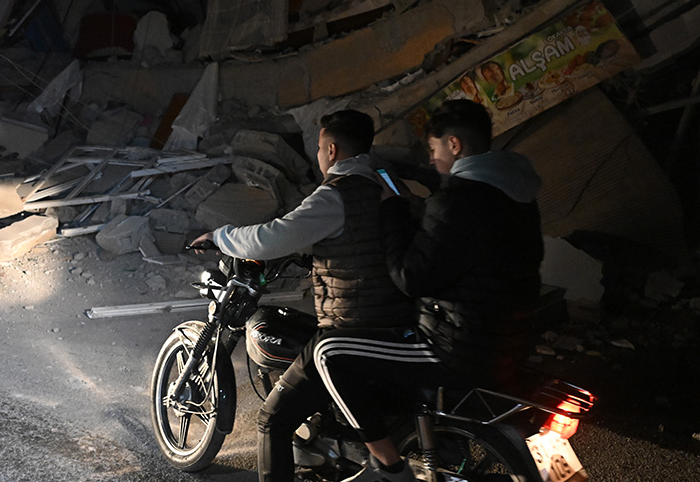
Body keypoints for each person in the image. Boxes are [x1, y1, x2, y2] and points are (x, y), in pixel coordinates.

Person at [313, 99, 544, 482]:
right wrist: (407, 174)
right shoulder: (515, 194)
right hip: (509, 339)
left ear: (454, 145)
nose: (433, 159)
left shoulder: (456, 202)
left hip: (455, 348)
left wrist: (392, 209)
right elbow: (464, 229)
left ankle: (389, 466)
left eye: (434, 150)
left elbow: (410, 278)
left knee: (329, 352)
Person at [192, 109, 414, 482]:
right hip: (396, 317)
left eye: (318, 147)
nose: (318, 155)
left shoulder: (336, 195)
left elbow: (272, 237)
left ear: (330, 148)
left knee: (272, 420)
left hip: (352, 325)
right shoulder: (387, 187)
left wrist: (221, 236)